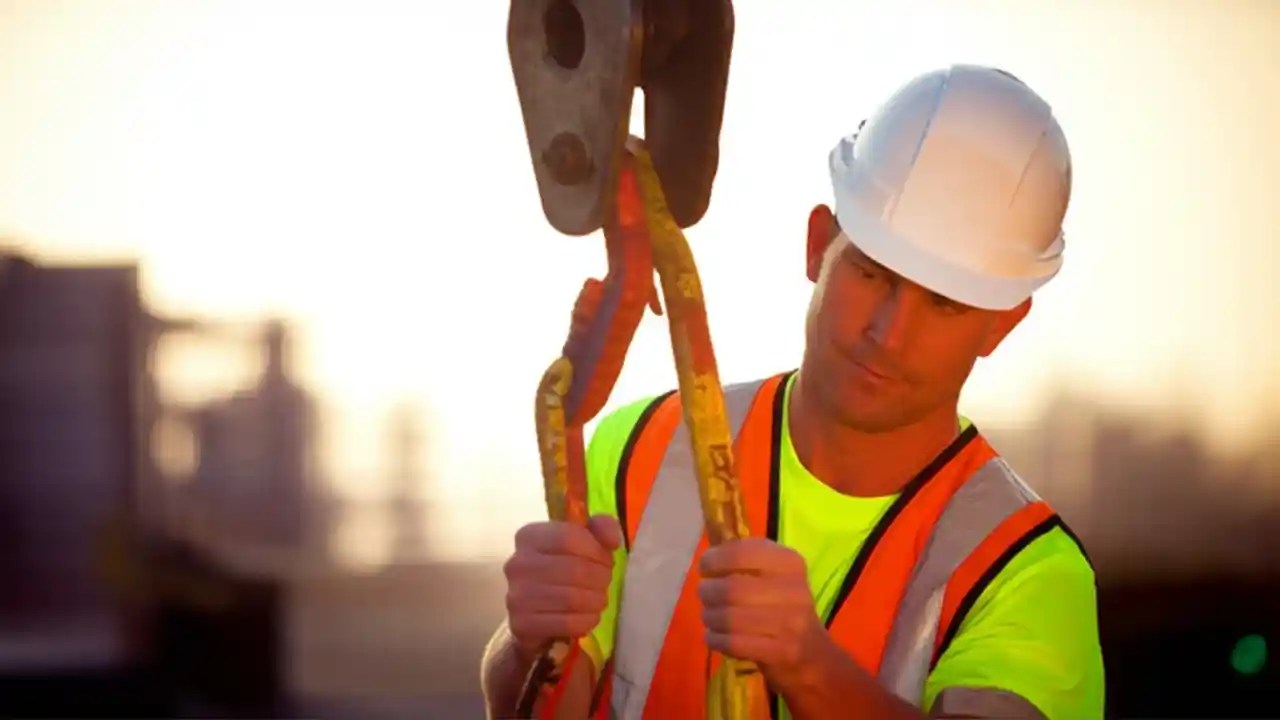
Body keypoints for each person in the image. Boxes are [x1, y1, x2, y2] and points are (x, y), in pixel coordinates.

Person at [481, 64, 1104, 720]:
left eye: (944, 306)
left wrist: (809, 666)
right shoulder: (640, 451)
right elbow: (540, 703)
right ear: (817, 246)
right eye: (870, 272)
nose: (888, 333)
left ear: (1000, 326)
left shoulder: (1026, 571)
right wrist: (526, 645)